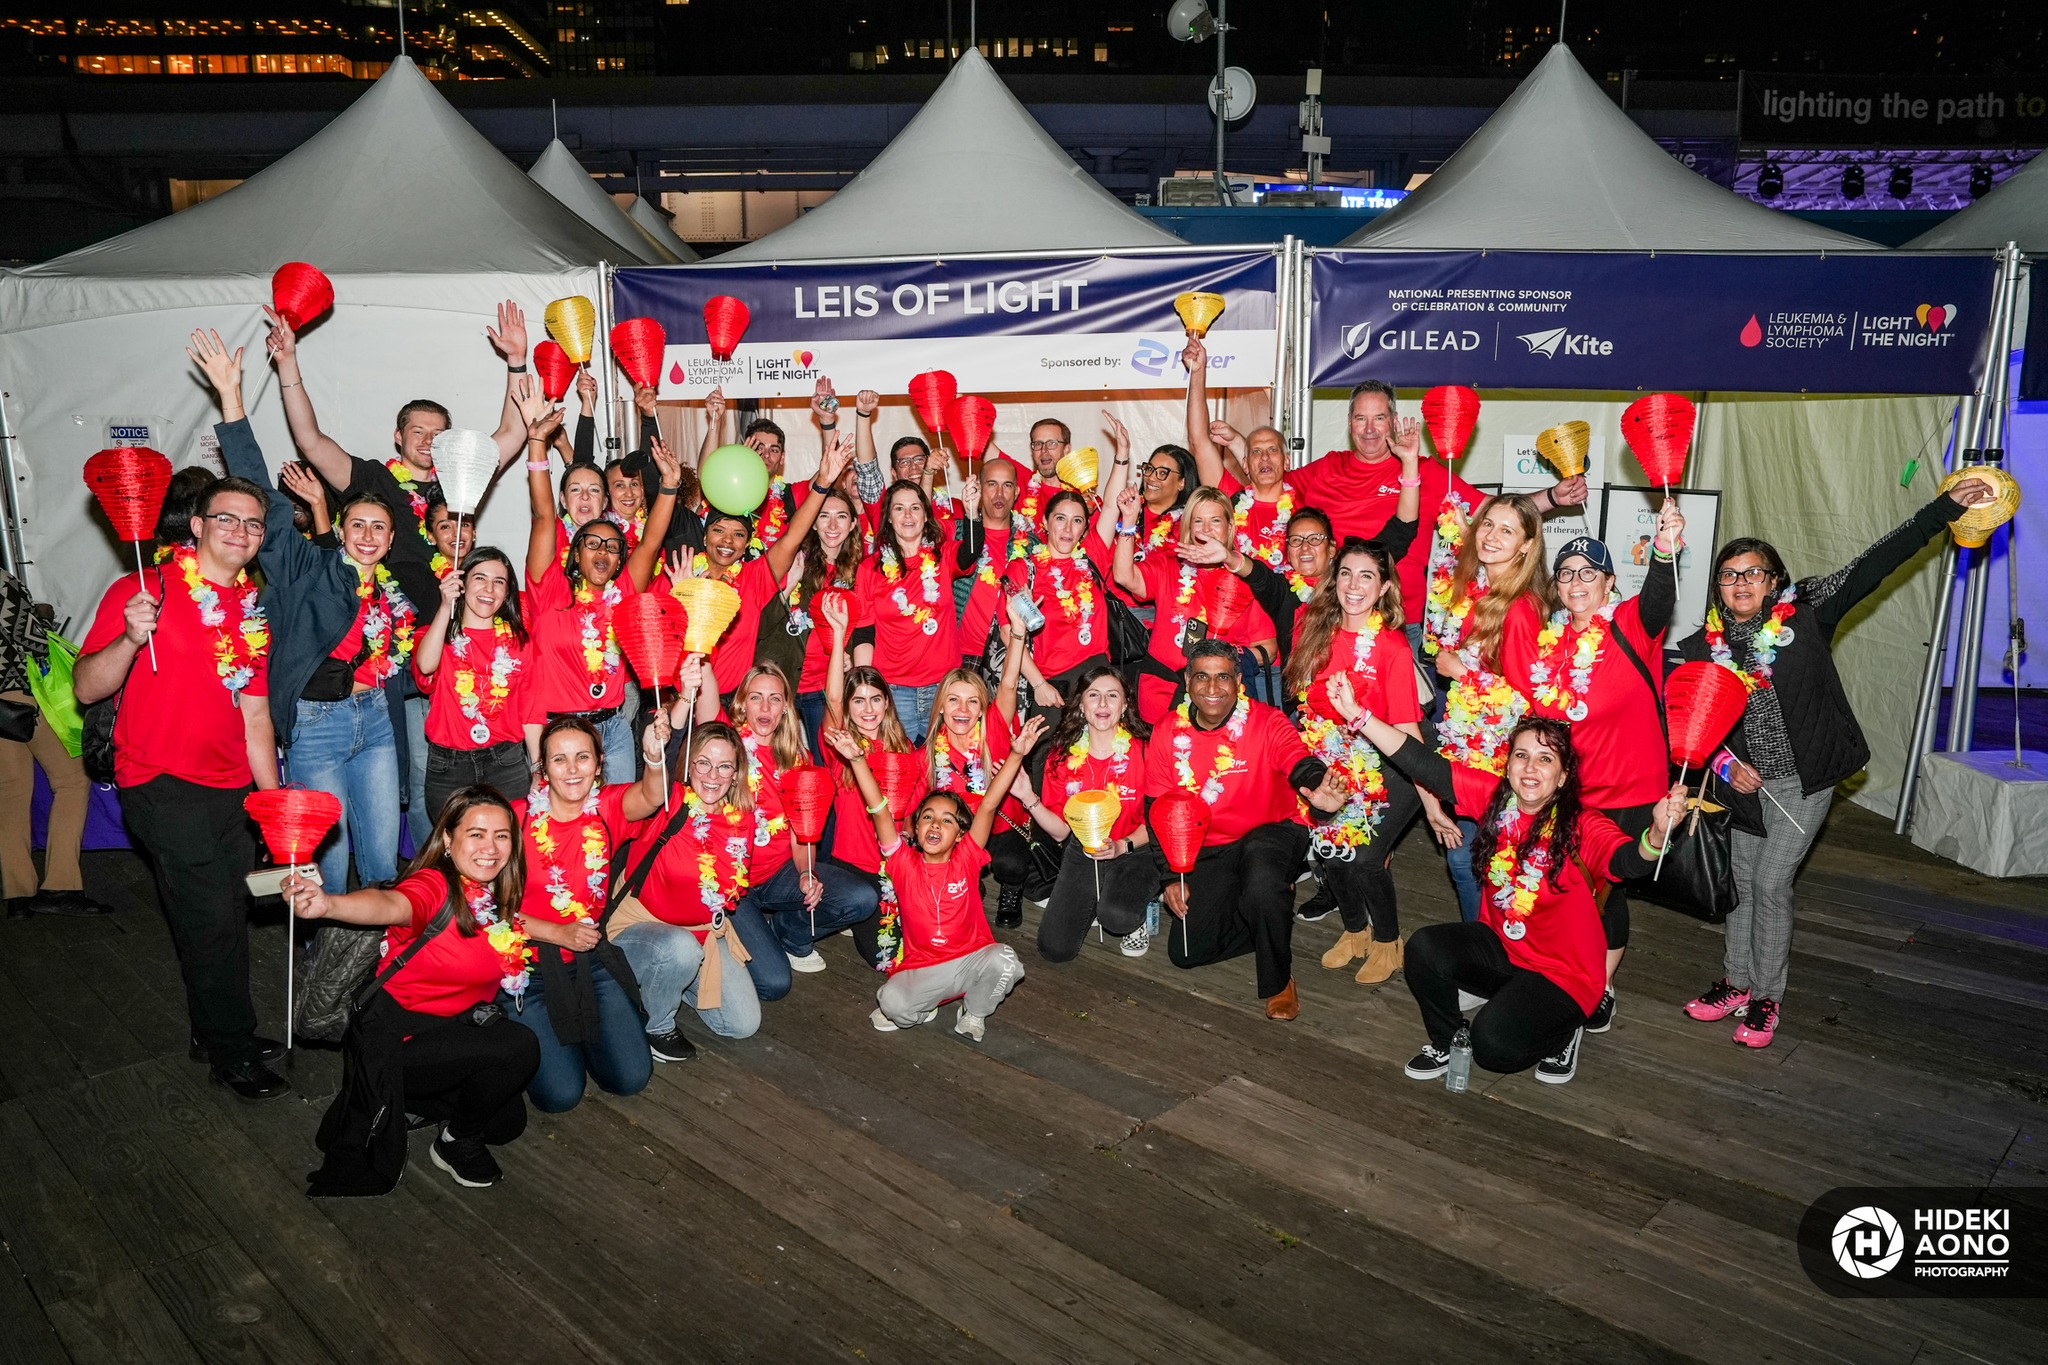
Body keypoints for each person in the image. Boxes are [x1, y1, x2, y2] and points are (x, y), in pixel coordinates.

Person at [1674, 478, 1996, 1049]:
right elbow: (1689, 726)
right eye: (1729, 575)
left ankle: (1767, 997)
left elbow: (1876, 562)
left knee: (1771, 883)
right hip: (1743, 788)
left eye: (1753, 573)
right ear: (1717, 586)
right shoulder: (1702, 648)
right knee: (1741, 883)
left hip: (1804, 781)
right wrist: (1724, 767)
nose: (1741, 583)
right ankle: (1736, 982)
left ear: (1775, 581)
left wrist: (1944, 509)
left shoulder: (1808, 615)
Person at [74, 430, 284, 1099]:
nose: (241, 532)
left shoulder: (251, 613)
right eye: (227, 518)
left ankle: (211, 1028)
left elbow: (256, 718)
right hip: (161, 782)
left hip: (231, 787)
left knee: (221, 912)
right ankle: (232, 1050)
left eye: (253, 524)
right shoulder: (142, 590)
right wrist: (131, 637)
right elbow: (86, 688)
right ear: (196, 525)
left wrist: (274, 807)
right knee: (213, 919)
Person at [1342, 704, 1686, 1085]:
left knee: (1493, 1048)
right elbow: (1425, 765)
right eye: (1521, 755)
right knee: (1424, 947)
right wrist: (1360, 716)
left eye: (1545, 759)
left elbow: (1627, 862)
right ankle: (1447, 1042)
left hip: (1564, 976)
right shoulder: (1494, 801)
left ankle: (1566, 1031)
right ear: (1508, 767)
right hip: (1505, 950)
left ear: (1563, 776)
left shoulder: (1582, 826)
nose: (1530, 767)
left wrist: (1657, 835)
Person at [197, 330, 412, 900]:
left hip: (377, 724)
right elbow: (264, 499)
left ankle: (376, 957)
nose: (368, 536)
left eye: (379, 528)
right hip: (317, 727)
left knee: (382, 862)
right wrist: (232, 399)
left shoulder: (393, 597)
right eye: (358, 524)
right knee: (329, 873)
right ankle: (323, 960)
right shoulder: (306, 569)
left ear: (391, 540)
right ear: (340, 529)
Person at [285, 787, 541, 1192]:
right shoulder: (433, 885)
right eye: (476, 834)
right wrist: (330, 905)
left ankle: (407, 1103)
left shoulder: (493, 890)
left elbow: (513, 924)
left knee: (506, 1125)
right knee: (519, 1046)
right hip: (398, 1039)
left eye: (501, 835)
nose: (490, 848)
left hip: (453, 1030)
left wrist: (561, 932)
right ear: (447, 839)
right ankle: (449, 1140)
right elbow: (392, 904)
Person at [1502, 511, 1684, 1032]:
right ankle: (1564, 972)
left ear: (1609, 582)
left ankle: (1600, 987)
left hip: (1630, 792)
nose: (1576, 581)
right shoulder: (1552, 644)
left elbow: (1658, 600)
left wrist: (1665, 550)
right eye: (1566, 573)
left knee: (1609, 892)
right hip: (1573, 794)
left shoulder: (1628, 625)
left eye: (1589, 572)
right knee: (1575, 892)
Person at [264, 300, 530, 612]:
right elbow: (310, 440)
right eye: (418, 431)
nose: (428, 440)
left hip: (453, 619)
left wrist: (516, 360)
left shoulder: (461, 479)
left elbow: (513, 432)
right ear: (398, 437)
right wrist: (287, 362)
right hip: (389, 622)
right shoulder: (374, 479)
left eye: (438, 434)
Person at [1143, 641, 1349, 1020]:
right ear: (1187, 681)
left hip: (1271, 831)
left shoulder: (1267, 720)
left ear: (1239, 682)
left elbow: (1297, 759)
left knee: (1261, 877)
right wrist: (1170, 876)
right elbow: (1156, 809)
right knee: (1186, 953)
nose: (1212, 688)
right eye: (1202, 676)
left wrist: (1317, 783)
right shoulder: (1167, 730)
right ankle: (1270, 910)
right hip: (1208, 844)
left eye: (1223, 677)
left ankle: (1278, 978)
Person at [1288, 380, 1585, 630]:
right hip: (1332, 615)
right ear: (1349, 422)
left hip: (1399, 620)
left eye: (1378, 418)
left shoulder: (1423, 471)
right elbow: (1268, 490)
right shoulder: (1326, 467)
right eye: (1360, 418)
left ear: (1393, 421)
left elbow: (1494, 510)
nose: (1369, 429)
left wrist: (1553, 497)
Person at [824, 714, 1048, 1042]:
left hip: (971, 959)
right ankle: (925, 1002)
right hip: (925, 967)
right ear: (916, 827)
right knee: (891, 1003)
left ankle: (974, 1011)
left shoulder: (968, 857)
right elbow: (880, 809)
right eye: (927, 817)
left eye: (947, 821)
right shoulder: (902, 863)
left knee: (1007, 962)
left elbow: (988, 805)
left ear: (960, 835)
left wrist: (1016, 754)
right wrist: (857, 760)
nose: (935, 825)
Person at [506, 710, 672, 1109]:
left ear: (598, 765)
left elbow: (651, 796)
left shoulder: (607, 808)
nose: (571, 769)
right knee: (560, 1096)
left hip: (590, 962)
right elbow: (482, 908)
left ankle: (578, 1040)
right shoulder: (513, 819)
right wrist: (555, 932)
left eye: (582, 757)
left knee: (630, 1078)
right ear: (543, 768)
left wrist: (653, 757)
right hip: (527, 968)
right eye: (559, 759)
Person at [1285, 539, 1429, 985]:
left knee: (1366, 860)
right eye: (1346, 573)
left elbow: (1409, 733)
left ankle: (1388, 942)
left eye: (1367, 576)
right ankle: (1355, 931)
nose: (1353, 585)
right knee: (1332, 854)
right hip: (1333, 760)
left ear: (1384, 587)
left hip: (1389, 766)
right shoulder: (1312, 631)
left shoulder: (1392, 647)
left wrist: (1433, 799)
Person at [608, 719, 789, 1052]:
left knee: (742, 1025)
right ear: (689, 765)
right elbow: (651, 788)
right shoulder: (670, 802)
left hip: (706, 935)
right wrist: (653, 758)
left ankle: (672, 980)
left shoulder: (742, 820)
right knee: (679, 949)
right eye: (703, 763)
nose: (712, 775)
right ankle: (657, 1025)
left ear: (736, 773)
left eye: (724, 766)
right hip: (640, 927)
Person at [523, 402, 678, 781]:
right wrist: (537, 442)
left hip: (615, 728)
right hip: (563, 732)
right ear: (576, 551)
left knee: (618, 815)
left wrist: (670, 485)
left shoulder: (623, 590)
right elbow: (543, 515)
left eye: (611, 547)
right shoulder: (549, 586)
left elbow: (650, 542)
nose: (602, 552)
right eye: (592, 544)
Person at [1426, 493, 1552, 920]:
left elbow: (1529, 700)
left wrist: (1462, 674)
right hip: (1468, 742)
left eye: (1507, 530)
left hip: (1499, 756)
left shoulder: (1520, 608)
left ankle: (1487, 943)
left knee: (1476, 863)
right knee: (1464, 859)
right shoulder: (1479, 587)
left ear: (1526, 545)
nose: (1491, 536)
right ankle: (1479, 940)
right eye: (1487, 524)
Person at [660, 433, 848, 700]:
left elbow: (792, 537)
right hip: (684, 702)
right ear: (704, 536)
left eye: (738, 534)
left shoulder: (753, 579)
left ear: (747, 543)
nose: (727, 540)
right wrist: (685, 596)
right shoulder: (678, 574)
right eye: (719, 530)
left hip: (735, 703)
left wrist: (823, 484)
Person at [722, 662, 881, 971]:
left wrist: (806, 873)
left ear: (786, 707)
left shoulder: (799, 759)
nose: (765, 707)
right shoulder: (726, 751)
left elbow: (800, 834)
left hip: (778, 874)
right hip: (733, 885)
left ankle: (788, 930)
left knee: (861, 898)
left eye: (775, 698)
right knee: (775, 983)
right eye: (756, 697)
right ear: (742, 704)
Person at [1112, 484, 1279, 725]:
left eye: (1215, 521)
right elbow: (1124, 576)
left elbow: (1268, 650)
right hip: (1160, 694)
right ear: (1189, 527)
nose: (1206, 530)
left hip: (1216, 699)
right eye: (1198, 521)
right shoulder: (1169, 566)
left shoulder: (1245, 579)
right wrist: (1128, 522)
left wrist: (1222, 655)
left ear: (1230, 526)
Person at [1021, 666, 1154, 960]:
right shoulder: (1061, 756)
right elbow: (1060, 832)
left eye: (1112, 695)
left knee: (1117, 917)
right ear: (1081, 705)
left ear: (1125, 705)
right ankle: (1099, 896)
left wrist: (1122, 846)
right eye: (1093, 695)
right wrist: (1028, 797)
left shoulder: (1146, 751)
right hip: (1084, 849)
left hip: (1136, 847)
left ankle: (1136, 913)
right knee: (1055, 949)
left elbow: (1158, 821)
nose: (1103, 703)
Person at [821, 594, 923, 969]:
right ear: (849, 708)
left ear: (887, 703)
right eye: (859, 701)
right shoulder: (842, 744)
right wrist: (839, 637)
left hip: (895, 864)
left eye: (876, 699)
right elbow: (832, 698)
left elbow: (912, 810)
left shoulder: (903, 747)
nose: (868, 709)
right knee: (884, 955)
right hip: (855, 865)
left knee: (922, 939)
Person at [0, 567, 105, 917]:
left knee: (11, 793)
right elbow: (30, 639)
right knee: (72, 780)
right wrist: (43, 617)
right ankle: (60, 887)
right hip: (19, 694)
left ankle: (17, 894)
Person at [412, 548, 541, 825]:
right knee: (453, 846)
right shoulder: (437, 636)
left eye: (499, 581)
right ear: (462, 584)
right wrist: (445, 607)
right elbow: (426, 666)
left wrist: (539, 766)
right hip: (449, 767)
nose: (489, 589)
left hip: (506, 763)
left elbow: (531, 711)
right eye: (480, 578)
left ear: (507, 592)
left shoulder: (520, 643)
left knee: (506, 844)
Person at [924, 653, 1046, 928]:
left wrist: (1017, 635)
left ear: (982, 710)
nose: (963, 709)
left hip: (1002, 826)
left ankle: (1012, 889)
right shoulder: (929, 754)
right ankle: (968, 881)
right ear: (941, 706)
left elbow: (1008, 684)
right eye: (953, 699)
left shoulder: (993, 731)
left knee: (1011, 864)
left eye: (972, 701)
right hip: (959, 834)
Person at [855, 480, 958, 742]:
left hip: (943, 687)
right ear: (889, 518)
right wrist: (864, 689)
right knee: (896, 763)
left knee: (943, 764)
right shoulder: (869, 568)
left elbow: (972, 550)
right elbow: (864, 633)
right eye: (899, 508)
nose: (908, 515)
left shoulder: (943, 556)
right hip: (894, 690)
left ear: (926, 515)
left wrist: (970, 512)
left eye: (915, 508)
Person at [1182, 336, 1294, 572]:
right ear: (1245, 463)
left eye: (1273, 450)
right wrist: (1198, 373)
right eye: (1256, 452)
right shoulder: (1230, 500)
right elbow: (1199, 441)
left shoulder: (1303, 505)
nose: (1265, 458)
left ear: (1287, 461)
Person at [781, 483, 870, 753]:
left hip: (826, 686)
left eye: (841, 516)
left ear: (852, 524)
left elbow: (865, 627)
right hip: (784, 680)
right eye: (823, 516)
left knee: (827, 763)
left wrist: (851, 658)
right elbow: (763, 620)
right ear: (813, 522)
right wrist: (788, 586)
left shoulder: (861, 571)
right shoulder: (793, 560)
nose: (832, 525)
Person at [1018, 489, 1113, 706]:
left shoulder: (1092, 559)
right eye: (1060, 518)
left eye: (1077, 520)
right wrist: (1039, 685)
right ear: (1045, 521)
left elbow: (1110, 507)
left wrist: (1123, 460)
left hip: (1099, 684)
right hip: (1055, 688)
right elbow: (1008, 633)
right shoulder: (1024, 569)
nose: (1068, 528)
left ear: (1085, 527)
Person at [954, 455, 1033, 664]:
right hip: (963, 656)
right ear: (979, 489)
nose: (999, 493)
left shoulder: (1031, 543)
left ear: (1016, 492)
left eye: (1007, 485)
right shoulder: (958, 533)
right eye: (992, 484)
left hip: (1014, 655)